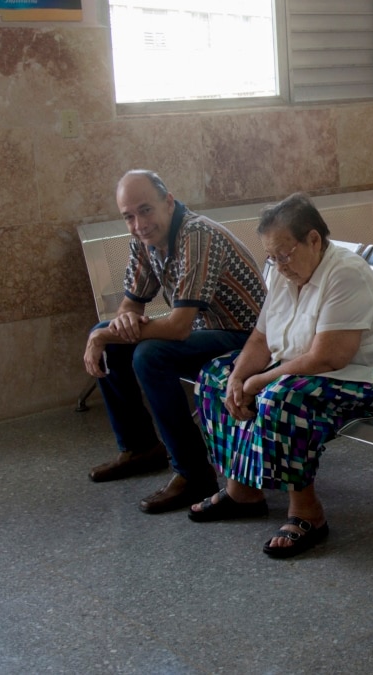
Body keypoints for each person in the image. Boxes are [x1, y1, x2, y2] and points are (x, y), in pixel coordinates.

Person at [191, 193, 373, 559]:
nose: (278, 265)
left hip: (372, 377)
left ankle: (307, 511)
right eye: (272, 257)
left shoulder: (345, 272)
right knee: (214, 376)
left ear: (313, 239)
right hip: (303, 370)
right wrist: (238, 377)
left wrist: (260, 381)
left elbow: (329, 357)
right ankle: (241, 490)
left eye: (284, 254)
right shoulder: (285, 272)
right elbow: (261, 338)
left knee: (283, 397)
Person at [84, 170, 265, 514]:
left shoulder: (197, 235)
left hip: (248, 337)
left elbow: (179, 327)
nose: (138, 223)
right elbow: (131, 304)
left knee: (150, 355)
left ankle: (194, 473)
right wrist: (116, 324)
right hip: (203, 331)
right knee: (113, 340)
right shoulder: (144, 238)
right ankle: (140, 448)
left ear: (168, 203)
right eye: (129, 216)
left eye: (145, 210)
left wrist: (103, 334)